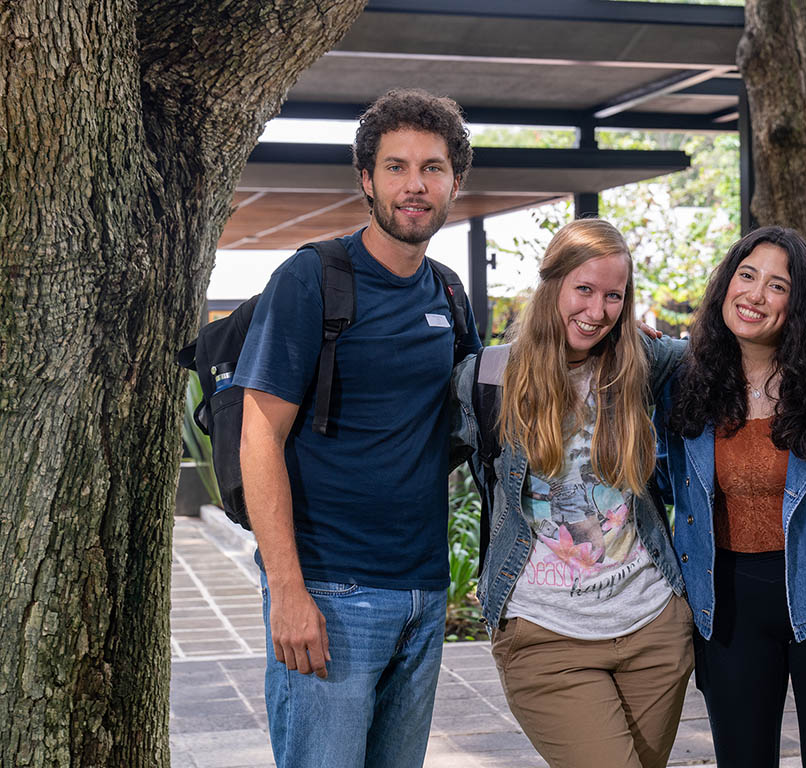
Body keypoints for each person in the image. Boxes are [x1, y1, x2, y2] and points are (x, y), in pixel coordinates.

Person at [236, 89, 482, 768]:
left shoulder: (449, 293)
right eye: (396, 167)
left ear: (454, 183)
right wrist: (287, 590)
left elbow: (488, 403)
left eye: (432, 168)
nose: (415, 185)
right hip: (330, 590)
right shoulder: (312, 278)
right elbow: (259, 436)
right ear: (367, 180)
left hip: (423, 591)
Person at [451, 218, 693, 768]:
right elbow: (405, 455)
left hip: (654, 627)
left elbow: (731, 347)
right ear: (552, 283)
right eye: (584, 289)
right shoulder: (486, 377)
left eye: (614, 295)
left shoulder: (639, 362)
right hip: (546, 638)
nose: (598, 310)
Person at [653, 226, 806, 768]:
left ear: (798, 305)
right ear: (726, 284)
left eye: (777, 286)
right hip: (726, 601)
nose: (755, 295)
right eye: (747, 275)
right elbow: (666, 484)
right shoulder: (686, 383)